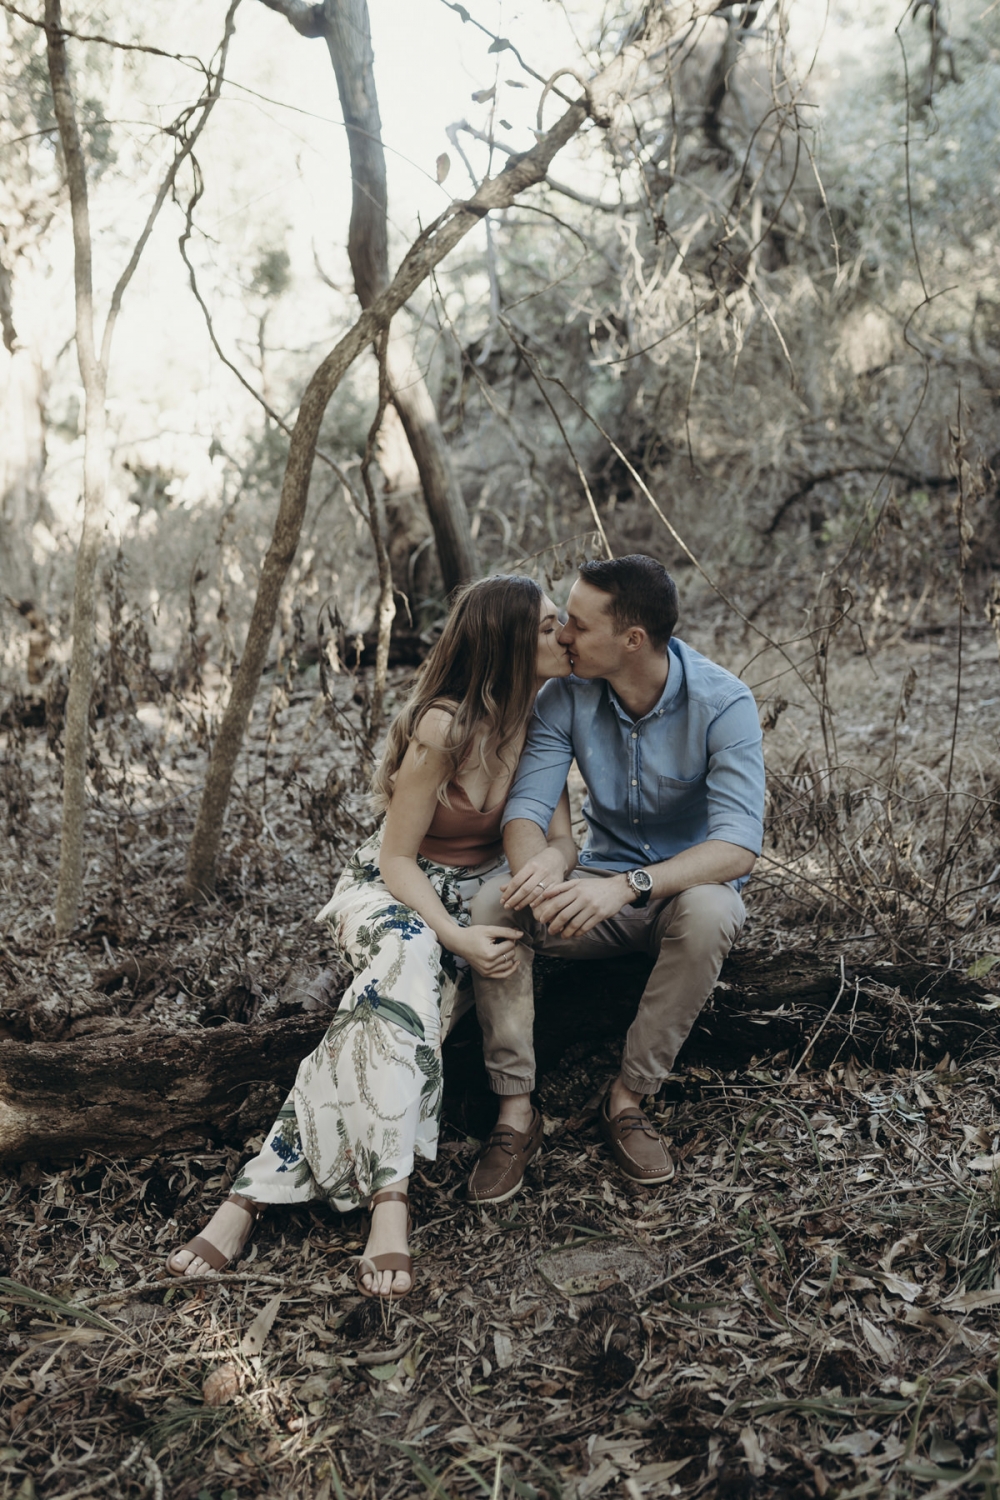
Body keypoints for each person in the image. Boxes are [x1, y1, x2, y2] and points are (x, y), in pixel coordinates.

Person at [167, 576, 577, 1298]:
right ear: (510, 642)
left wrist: (544, 868)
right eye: (547, 627)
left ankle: (249, 1196)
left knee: (391, 1011)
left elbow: (563, 839)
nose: (564, 635)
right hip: (397, 887)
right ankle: (390, 1204)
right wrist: (456, 934)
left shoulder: (546, 720)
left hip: (473, 894)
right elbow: (394, 858)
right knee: (408, 958)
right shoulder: (443, 728)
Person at [466, 554, 765, 1201]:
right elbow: (528, 810)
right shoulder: (564, 696)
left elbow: (738, 846)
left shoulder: (723, 703)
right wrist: (540, 869)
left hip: (678, 898)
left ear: (632, 640)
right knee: (494, 901)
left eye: (576, 623)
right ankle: (516, 1110)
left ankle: (627, 1098)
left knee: (713, 909)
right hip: (594, 889)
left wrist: (627, 886)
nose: (562, 635)